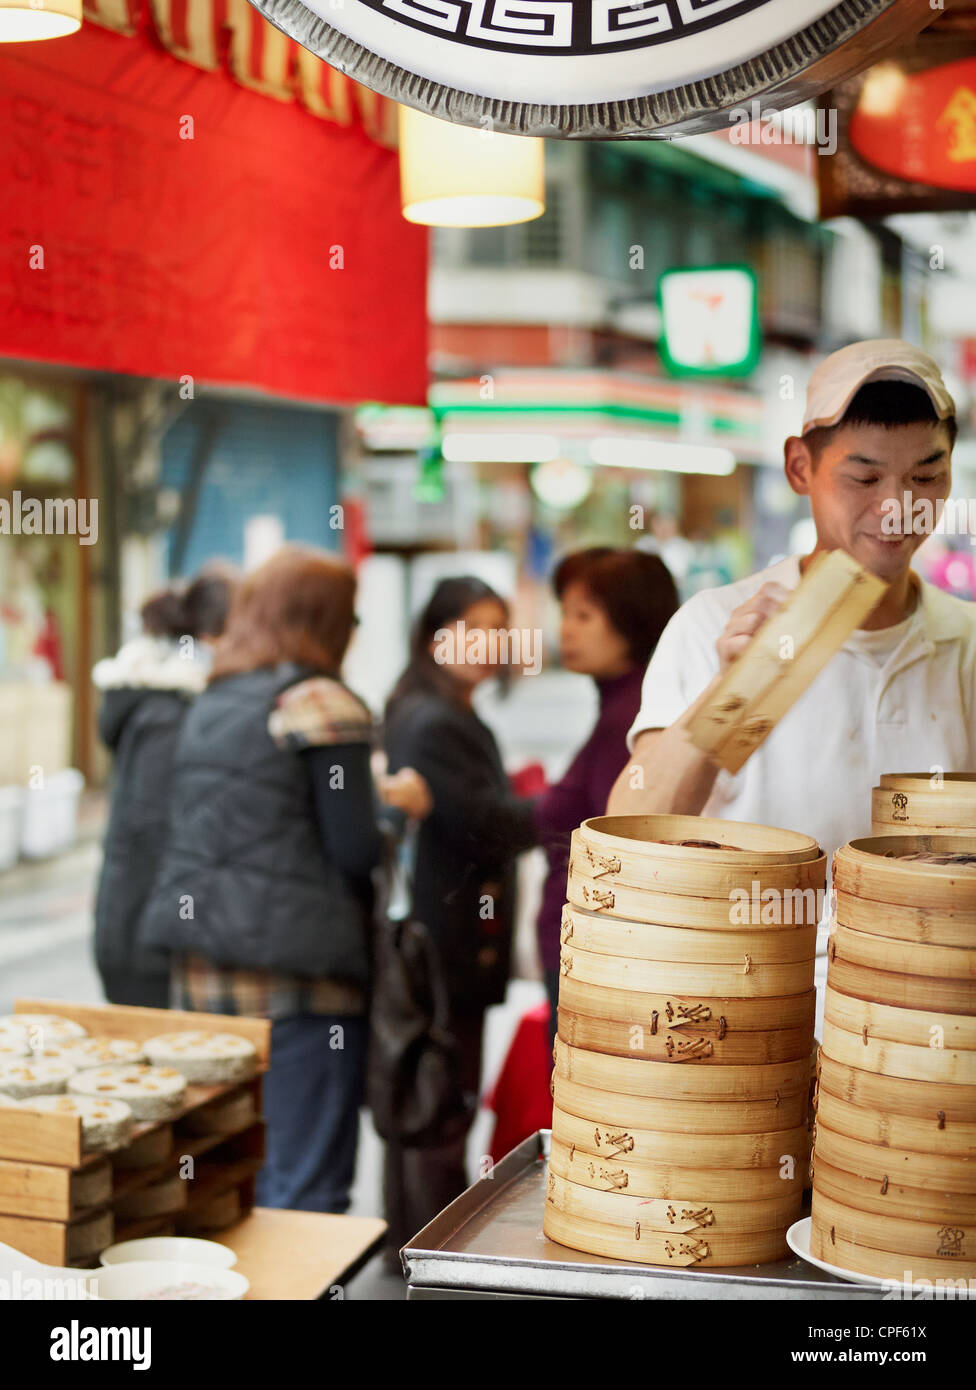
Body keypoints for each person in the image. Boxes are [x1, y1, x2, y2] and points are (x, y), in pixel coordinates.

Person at [608, 339, 976, 868]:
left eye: (924, 477)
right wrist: (732, 691)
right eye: (865, 478)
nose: (897, 508)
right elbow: (628, 838)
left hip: (921, 947)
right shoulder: (715, 625)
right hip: (762, 950)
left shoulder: (963, 642)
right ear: (800, 467)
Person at [140, 546, 428, 1213]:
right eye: (349, 620)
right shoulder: (320, 700)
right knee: (305, 1191)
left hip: (203, 978)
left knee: (232, 1185)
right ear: (325, 622)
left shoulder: (214, 699)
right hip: (302, 989)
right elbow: (355, 848)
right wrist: (397, 806)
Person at [383, 576, 539, 1250]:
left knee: (427, 1093)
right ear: (435, 632)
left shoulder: (438, 707)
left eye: (498, 626)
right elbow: (484, 824)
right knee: (440, 1096)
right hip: (446, 937)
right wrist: (561, 806)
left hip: (442, 931)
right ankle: (432, 1254)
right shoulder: (435, 718)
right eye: (472, 626)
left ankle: (410, 1246)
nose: (488, 642)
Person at [534, 548, 679, 1046]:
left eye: (584, 615)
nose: (565, 629)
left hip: (599, 963)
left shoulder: (633, 718)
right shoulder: (616, 707)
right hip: (584, 956)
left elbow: (622, 850)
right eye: (564, 612)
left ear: (631, 623)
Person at [92, 565, 236, 1008]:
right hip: (145, 949)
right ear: (213, 638)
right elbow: (152, 835)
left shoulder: (175, 708)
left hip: (144, 938)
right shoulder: (168, 718)